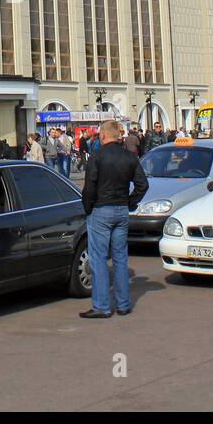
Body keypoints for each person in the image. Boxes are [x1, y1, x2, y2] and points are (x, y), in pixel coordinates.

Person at [79, 119, 148, 319]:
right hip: (121, 210)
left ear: (102, 136)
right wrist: (130, 202)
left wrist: (88, 208)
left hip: (101, 209)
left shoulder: (97, 156)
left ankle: (101, 306)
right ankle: (123, 304)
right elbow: (142, 185)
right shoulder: (130, 157)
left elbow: (90, 186)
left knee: (98, 258)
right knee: (120, 258)